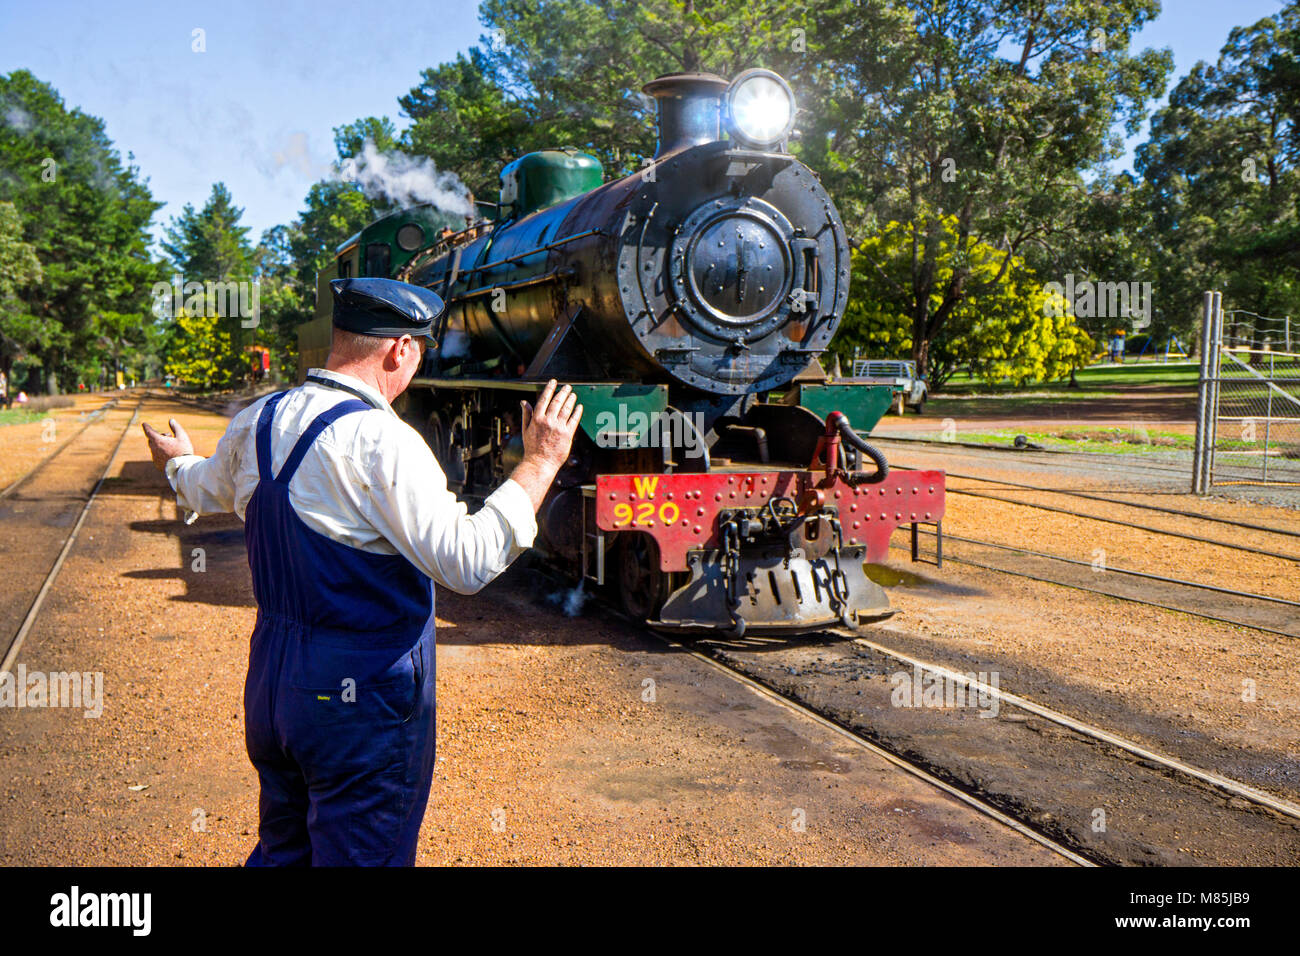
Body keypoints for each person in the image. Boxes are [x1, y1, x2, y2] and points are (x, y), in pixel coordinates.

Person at [141, 276, 582, 866]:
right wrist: (541, 461)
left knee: (283, 850)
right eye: (418, 350)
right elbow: (468, 561)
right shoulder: (381, 441)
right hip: (361, 698)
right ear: (399, 349)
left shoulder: (259, 419)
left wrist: (177, 464)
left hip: (274, 685)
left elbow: (202, 484)